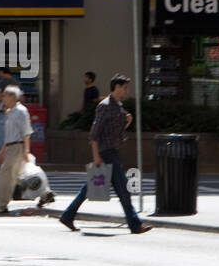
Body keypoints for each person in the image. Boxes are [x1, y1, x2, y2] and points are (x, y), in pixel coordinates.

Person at [60, 74, 151, 234]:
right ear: (116, 87)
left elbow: (115, 132)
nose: (126, 91)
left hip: (111, 150)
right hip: (106, 152)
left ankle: (68, 215)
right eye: (124, 88)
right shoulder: (105, 105)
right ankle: (135, 225)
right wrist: (96, 156)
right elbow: (94, 133)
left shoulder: (117, 105)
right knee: (123, 190)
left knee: (91, 187)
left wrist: (127, 121)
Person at [0, 85, 32, 216]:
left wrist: (26, 150)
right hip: (10, 146)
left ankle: (1, 205)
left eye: (5, 95)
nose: (3, 98)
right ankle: (45, 194)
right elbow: (9, 134)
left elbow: (26, 132)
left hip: (18, 146)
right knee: (16, 176)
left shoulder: (21, 111)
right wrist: (3, 150)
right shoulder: (10, 111)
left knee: (6, 176)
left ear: (13, 97)